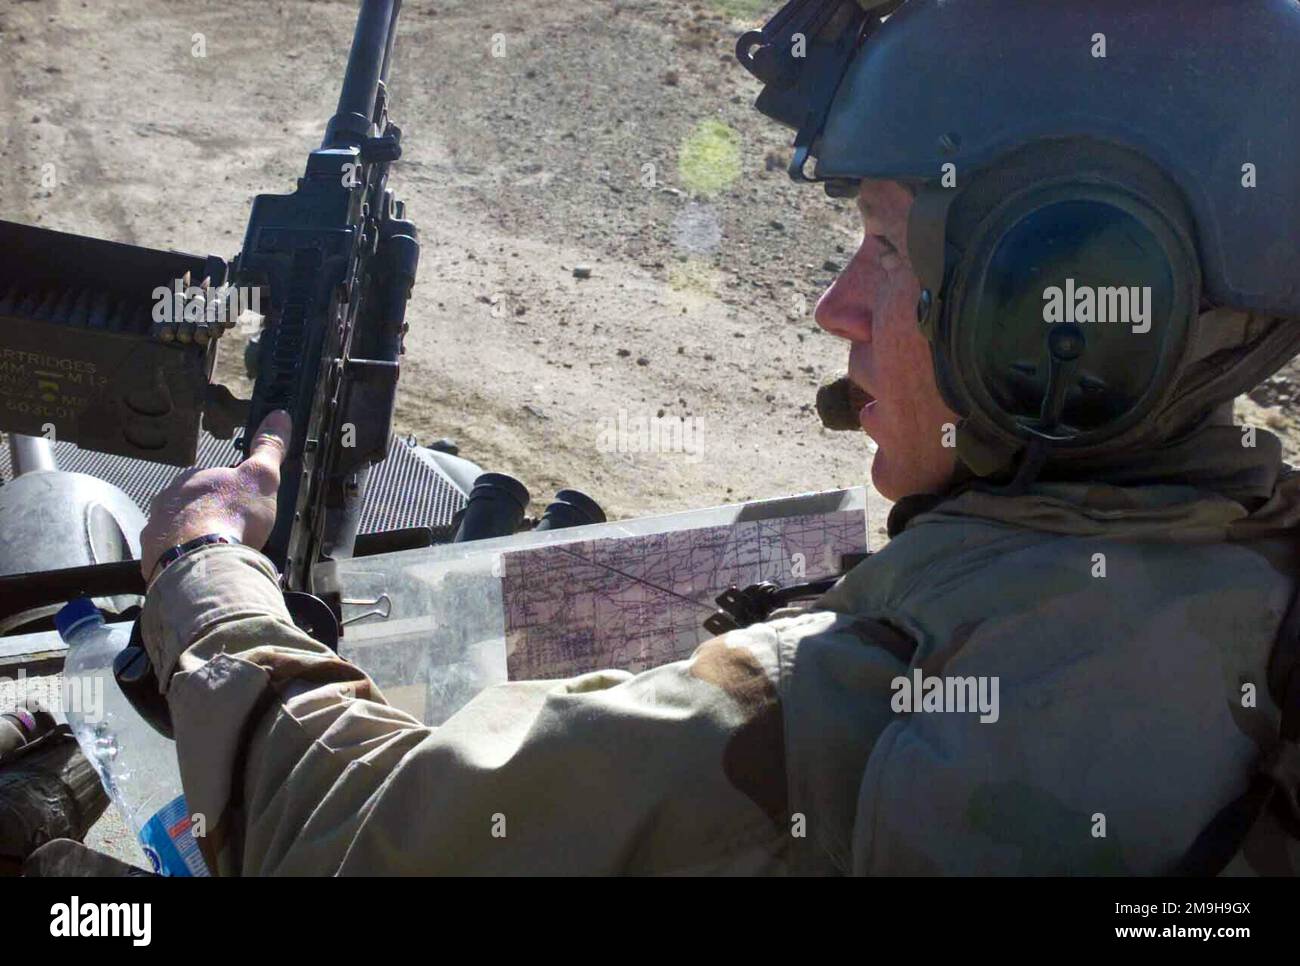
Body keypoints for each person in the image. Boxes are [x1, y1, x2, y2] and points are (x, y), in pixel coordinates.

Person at [137, 0, 1300, 874]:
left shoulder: (864, 713)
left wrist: (206, 575)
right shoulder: (1252, 582)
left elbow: (335, 834)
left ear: (1042, 314)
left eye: (887, 247)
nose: (834, 308)